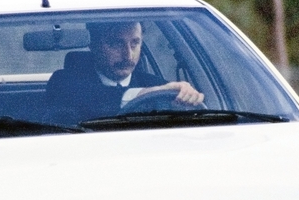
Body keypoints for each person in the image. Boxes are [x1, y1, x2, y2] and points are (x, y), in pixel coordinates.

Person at [44, 21, 204, 123]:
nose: (128, 54)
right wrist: (149, 93)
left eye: (135, 43)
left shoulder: (157, 85)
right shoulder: (63, 82)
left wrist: (188, 96)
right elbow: (94, 100)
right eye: (115, 43)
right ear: (94, 45)